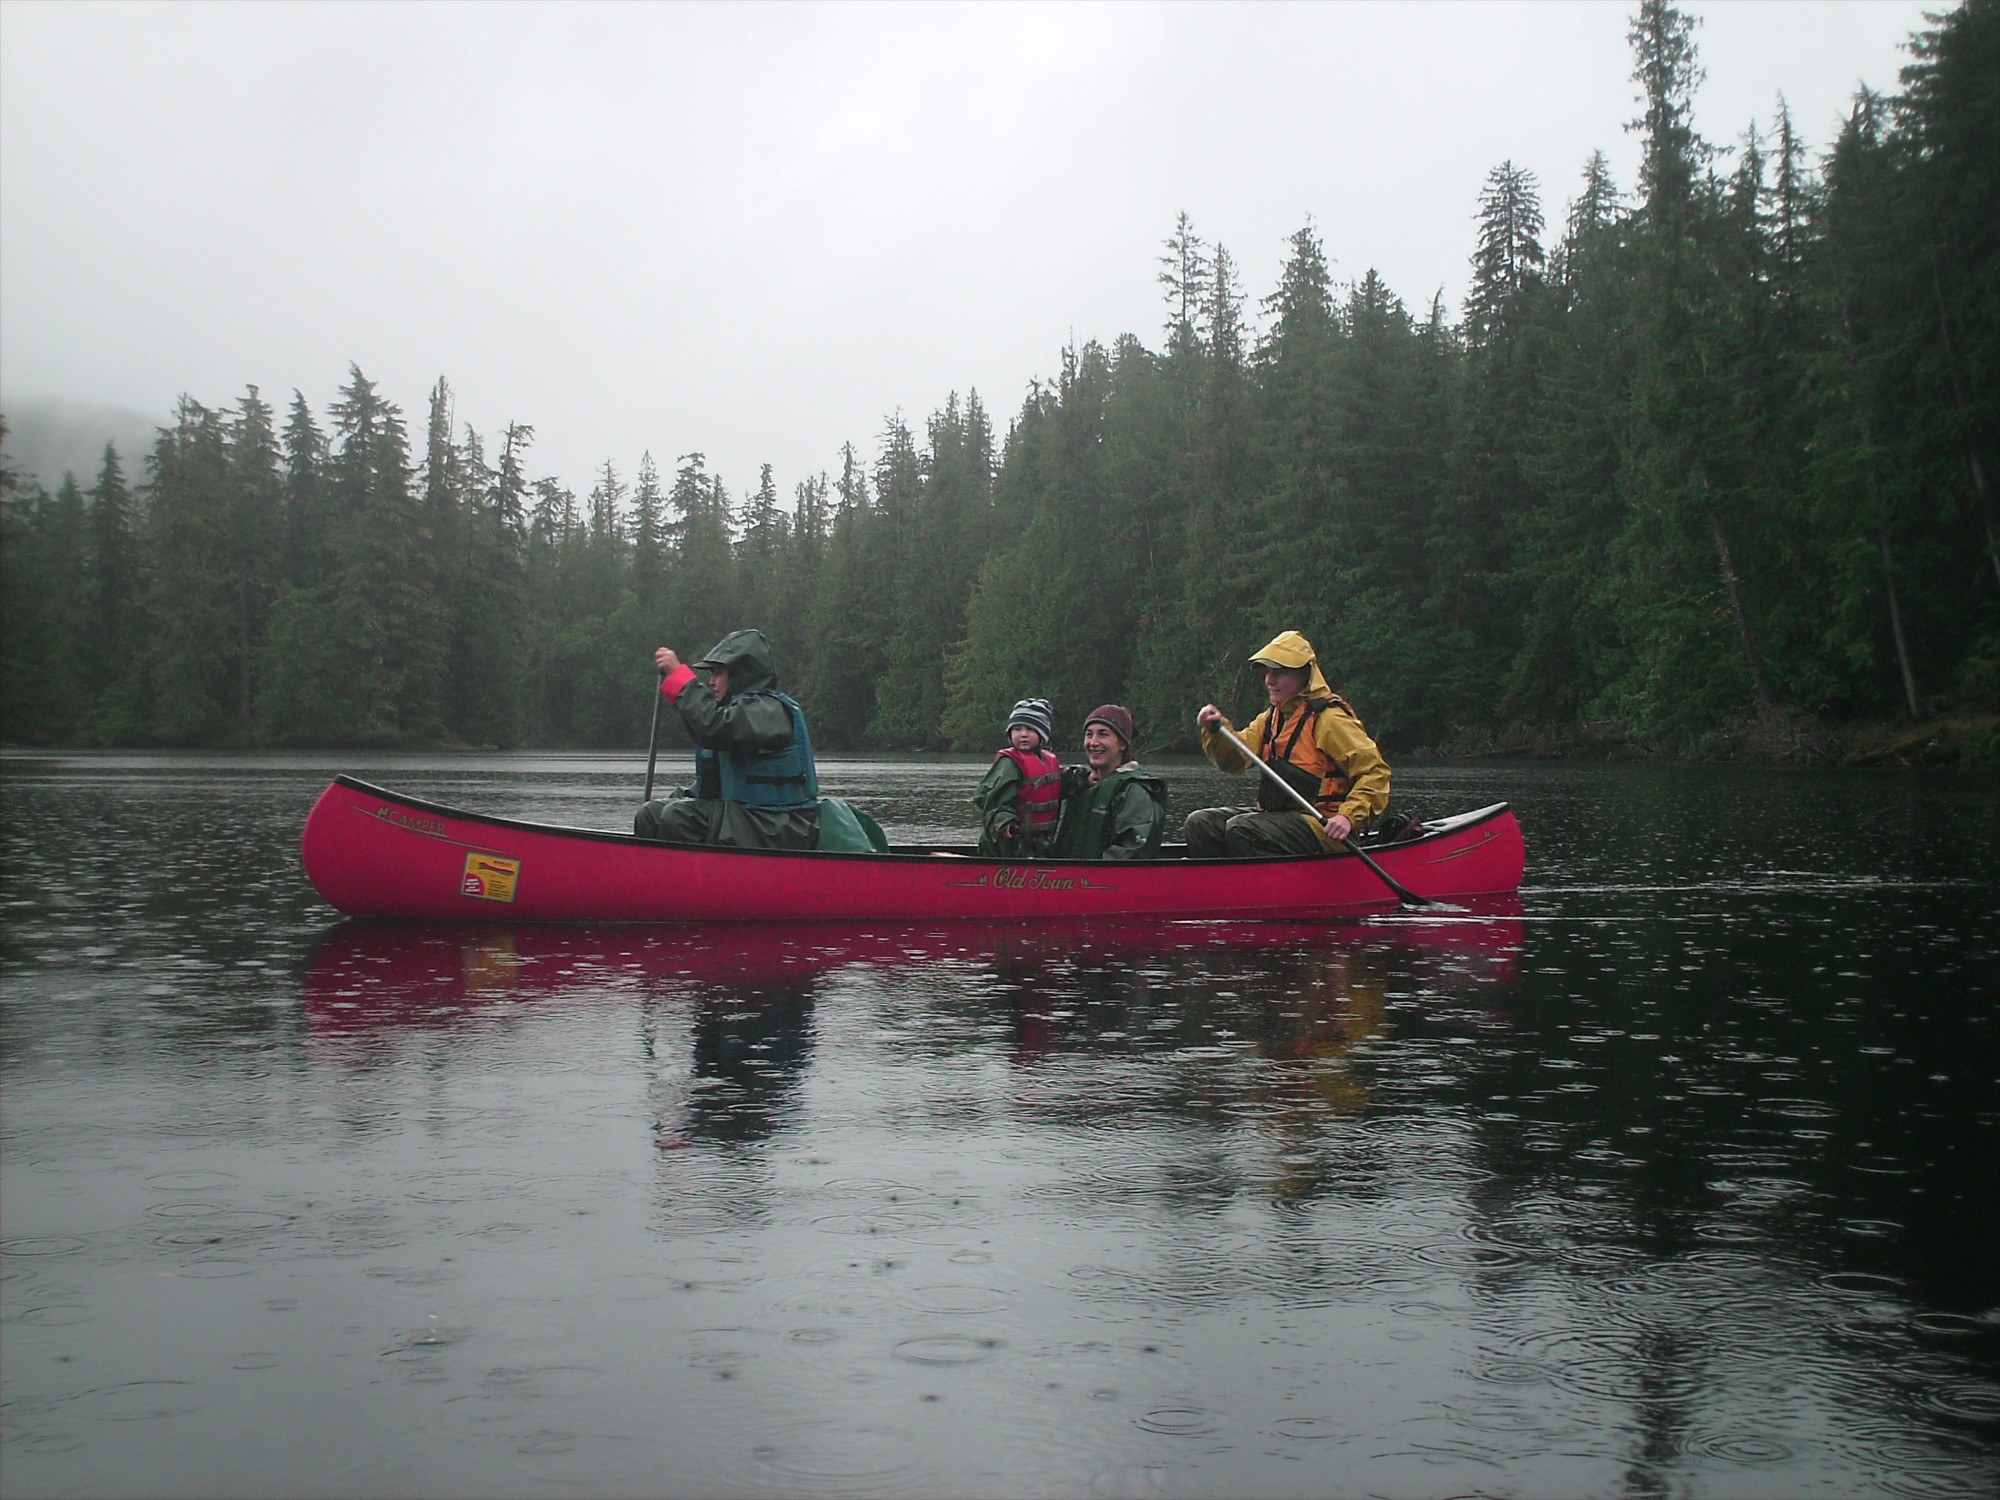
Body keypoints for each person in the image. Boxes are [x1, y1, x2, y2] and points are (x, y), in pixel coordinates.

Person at [1184, 630, 1390, 858]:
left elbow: (1375, 772)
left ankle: (1271, 887)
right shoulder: (1271, 718)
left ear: (1304, 675)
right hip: (1277, 824)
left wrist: (1348, 816)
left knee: (1242, 828)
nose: (1269, 681)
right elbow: (1234, 762)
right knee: (1200, 823)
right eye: (1267, 673)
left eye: (1278, 674)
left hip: (1327, 830)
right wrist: (1216, 731)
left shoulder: (1330, 719)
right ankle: (1225, 886)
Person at [634, 628, 820, 850]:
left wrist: (679, 679)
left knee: (679, 817)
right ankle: (654, 877)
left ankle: (700, 881)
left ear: (741, 674)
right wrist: (678, 798)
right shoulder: (737, 713)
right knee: (651, 814)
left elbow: (712, 727)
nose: (712, 681)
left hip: (780, 824)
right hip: (749, 818)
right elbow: (715, 786)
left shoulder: (768, 711)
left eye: (718, 673)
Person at [1050, 704, 1167, 860]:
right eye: (1089, 734)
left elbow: (1132, 852)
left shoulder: (1134, 791)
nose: (1093, 742)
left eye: (1103, 734)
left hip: (1104, 880)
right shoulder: (1080, 784)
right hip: (1069, 880)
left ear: (1123, 744)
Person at [974, 697, 1062, 857]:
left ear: (1042, 734)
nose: (1023, 734)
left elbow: (1060, 783)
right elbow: (990, 799)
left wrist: (1083, 779)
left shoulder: (1048, 760)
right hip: (1009, 844)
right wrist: (1003, 820)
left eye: (1030, 729)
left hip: (1037, 843)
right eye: (1017, 729)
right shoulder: (1009, 763)